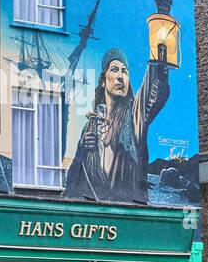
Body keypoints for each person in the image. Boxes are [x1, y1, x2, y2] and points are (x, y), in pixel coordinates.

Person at [65, 48, 169, 202]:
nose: (120, 76)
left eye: (125, 72)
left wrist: (158, 62)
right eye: (114, 70)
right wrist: (83, 151)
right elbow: (73, 181)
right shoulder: (90, 126)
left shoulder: (134, 117)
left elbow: (153, 90)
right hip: (91, 215)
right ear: (102, 81)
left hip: (128, 213)